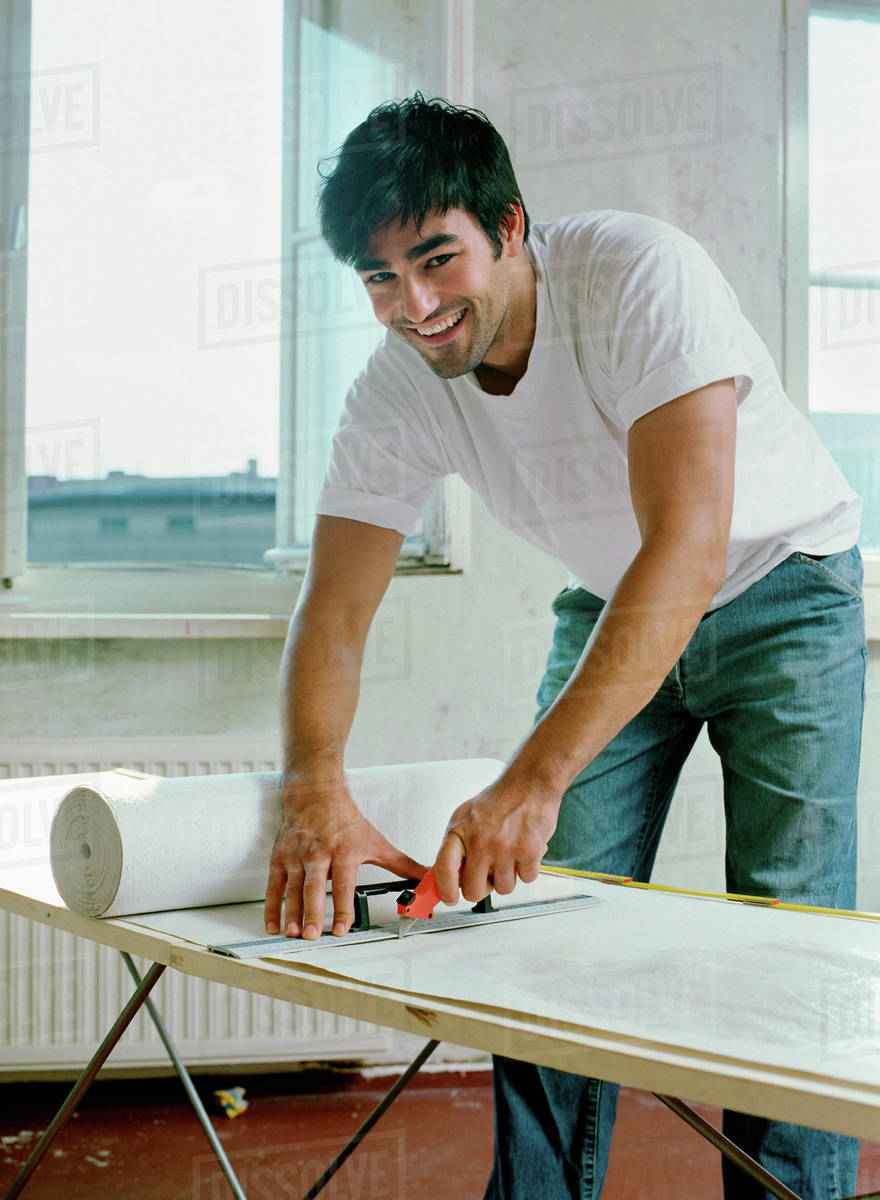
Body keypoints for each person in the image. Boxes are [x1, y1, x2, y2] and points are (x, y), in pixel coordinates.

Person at [263, 94, 866, 1200]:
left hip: (784, 586)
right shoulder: (396, 385)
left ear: (509, 225)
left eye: (438, 258)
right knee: (533, 919)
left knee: (786, 932)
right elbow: (335, 606)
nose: (417, 305)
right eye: (381, 278)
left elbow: (688, 548)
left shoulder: (640, 274)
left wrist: (532, 779)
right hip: (613, 603)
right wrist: (312, 780)